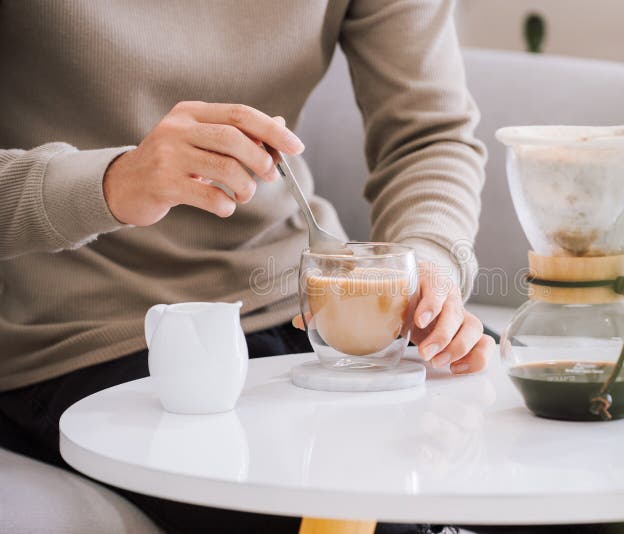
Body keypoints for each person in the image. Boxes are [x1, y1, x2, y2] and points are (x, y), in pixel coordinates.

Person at [0, 1, 492, 532]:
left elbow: (428, 135)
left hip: (300, 304)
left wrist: (427, 264)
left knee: (558, 460)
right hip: (90, 334)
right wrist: (113, 183)